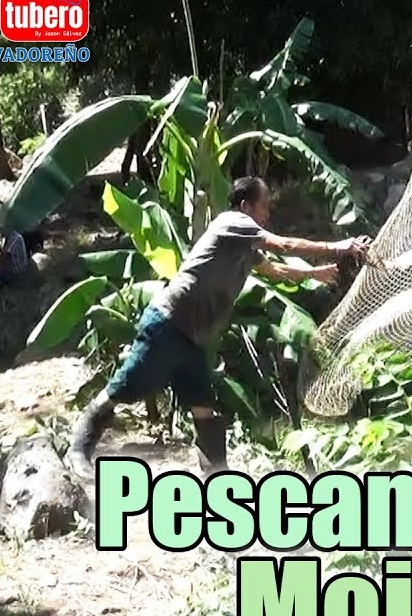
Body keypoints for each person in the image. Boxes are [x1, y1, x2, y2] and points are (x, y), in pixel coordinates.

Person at [65, 176, 370, 480]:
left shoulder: (244, 246)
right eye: (263, 207)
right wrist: (337, 247)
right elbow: (284, 244)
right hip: (168, 323)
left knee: (203, 408)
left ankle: (217, 479)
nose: (267, 214)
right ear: (245, 206)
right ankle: (79, 447)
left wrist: (314, 274)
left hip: (194, 339)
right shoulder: (231, 222)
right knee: (124, 387)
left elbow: (273, 270)